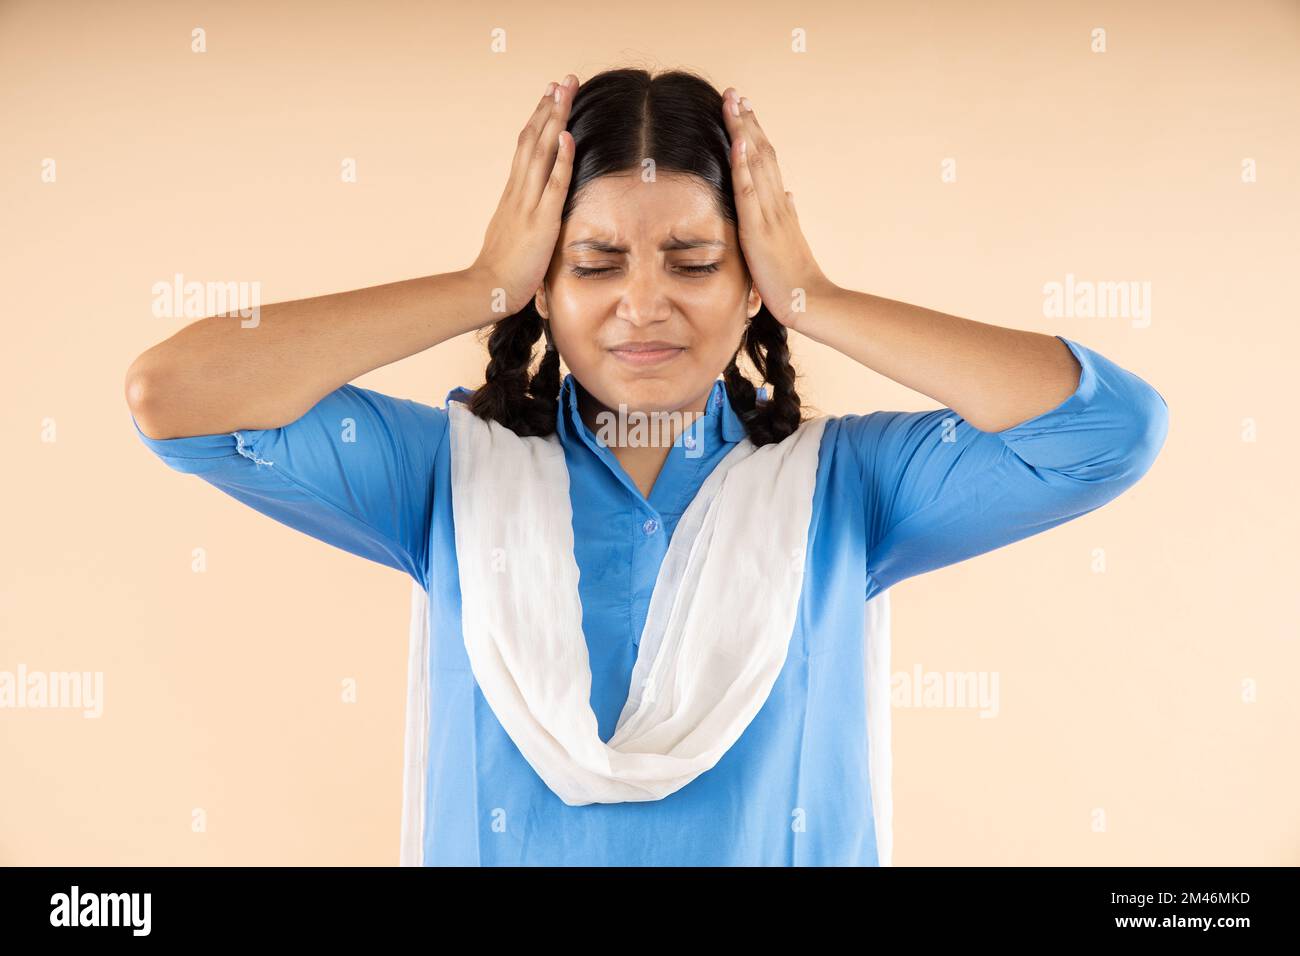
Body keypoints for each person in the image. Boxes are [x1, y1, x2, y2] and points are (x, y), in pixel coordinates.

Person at [124, 68, 1169, 866]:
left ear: (750, 278)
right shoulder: (443, 477)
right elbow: (177, 394)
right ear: (544, 279)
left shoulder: (847, 488)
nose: (643, 304)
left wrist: (815, 295)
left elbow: (1106, 431)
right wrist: (480, 279)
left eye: (695, 261)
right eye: (592, 262)